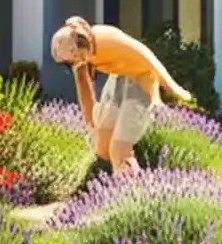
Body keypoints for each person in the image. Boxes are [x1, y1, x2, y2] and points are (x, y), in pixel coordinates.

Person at [50, 16, 193, 172]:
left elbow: (146, 55)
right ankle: (123, 179)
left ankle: (133, 190)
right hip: (119, 78)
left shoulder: (106, 39)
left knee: (119, 149)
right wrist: (92, 124)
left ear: (77, 45)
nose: (75, 61)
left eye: (74, 57)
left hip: (141, 79)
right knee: (102, 146)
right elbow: (84, 86)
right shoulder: (82, 59)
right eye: (69, 61)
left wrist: (172, 88)